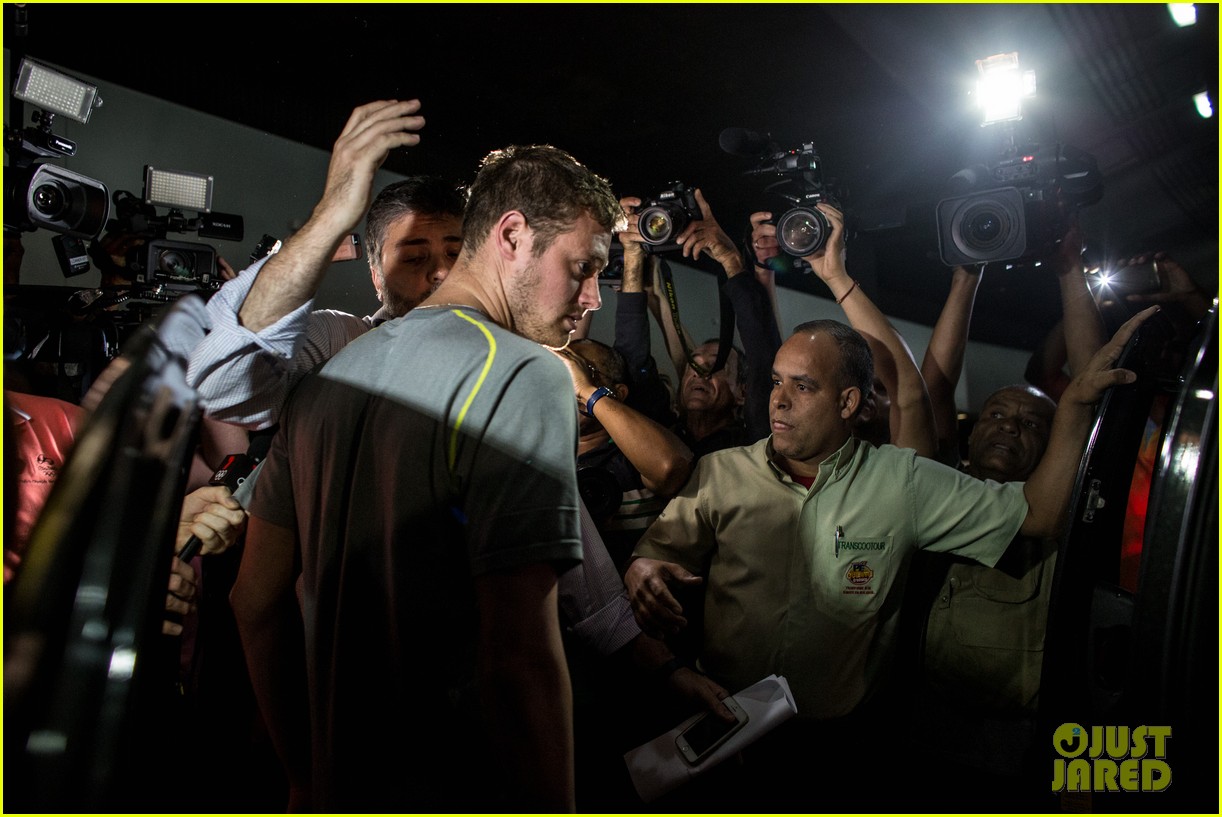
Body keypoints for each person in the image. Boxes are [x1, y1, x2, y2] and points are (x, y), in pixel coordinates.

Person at [229, 117, 626, 811]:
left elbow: (255, 602)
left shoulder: (330, 380)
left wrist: (301, 771)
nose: (593, 297)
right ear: (511, 236)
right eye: (584, 266)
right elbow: (521, 661)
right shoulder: (522, 371)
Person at [622, 306, 1155, 808]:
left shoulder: (903, 481)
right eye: (777, 380)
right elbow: (655, 555)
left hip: (841, 748)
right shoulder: (721, 472)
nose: (778, 400)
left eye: (803, 386)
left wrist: (1078, 406)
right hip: (722, 726)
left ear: (849, 403)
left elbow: (1036, 514)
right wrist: (642, 565)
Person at [188, 100, 464, 430]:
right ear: (377, 278)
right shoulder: (338, 342)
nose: (441, 272)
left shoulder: (513, 350)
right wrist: (331, 214)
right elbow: (221, 388)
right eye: (414, 258)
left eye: (456, 255)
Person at [556, 337, 693, 568]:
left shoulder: (631, 455)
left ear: (618, 393)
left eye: (584, 370)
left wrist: (587, 391)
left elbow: (670, 468)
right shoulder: (538, 454)